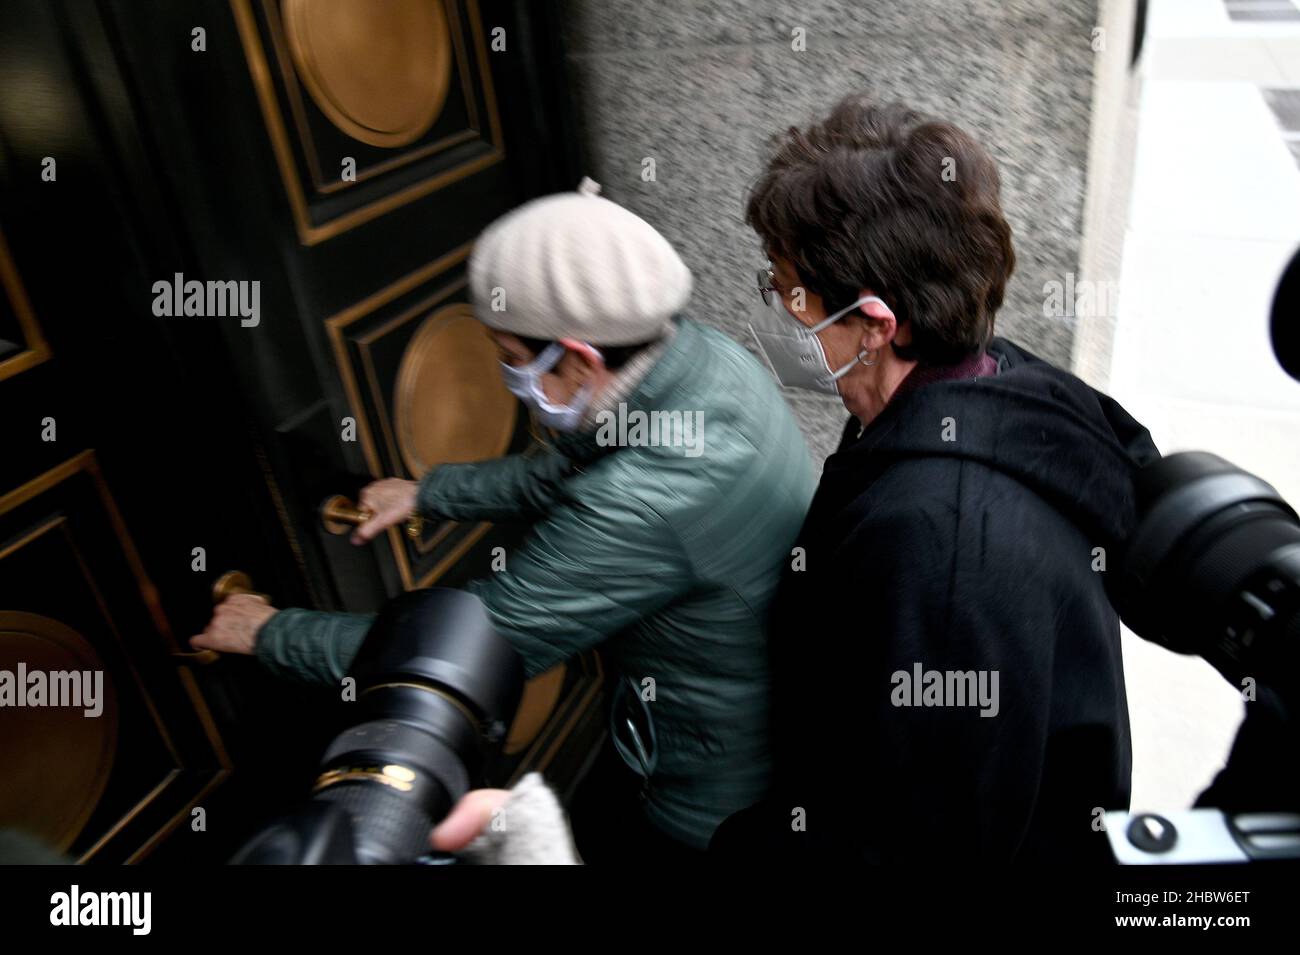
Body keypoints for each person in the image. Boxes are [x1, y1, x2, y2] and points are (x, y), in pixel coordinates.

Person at [192, 180, 817, 861]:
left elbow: (463, 654)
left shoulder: (647, 501)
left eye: (513, 360)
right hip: (732, 726)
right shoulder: (695, 359)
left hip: (703, 798)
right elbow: (568, 469)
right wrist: (429, 493)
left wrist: (269, 631)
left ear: (578, 359)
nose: (505, 378)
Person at [713, 97, 1160, 863]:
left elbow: (916, 842)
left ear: (878, 322)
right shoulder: (995, 376)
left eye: (791, 292)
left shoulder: (944, 554)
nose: (783, 311)